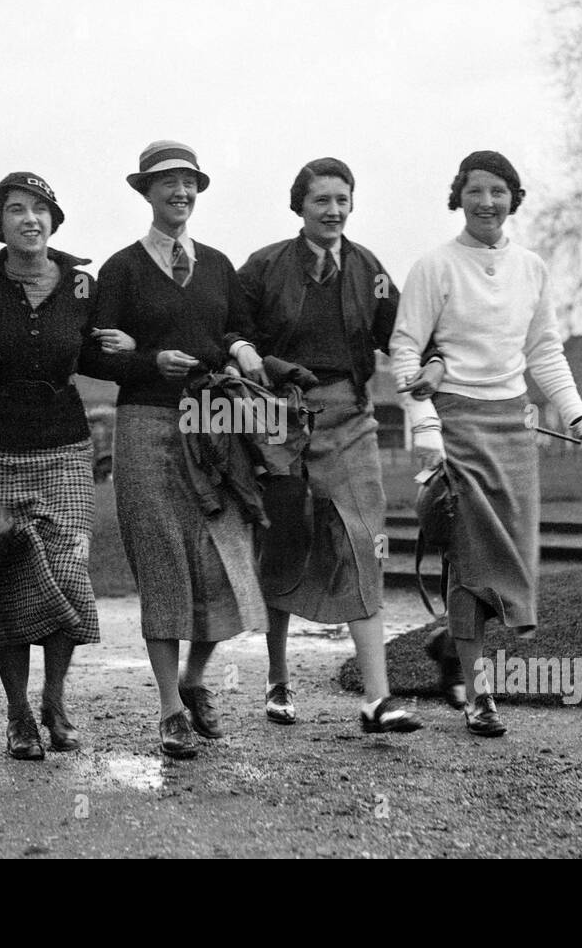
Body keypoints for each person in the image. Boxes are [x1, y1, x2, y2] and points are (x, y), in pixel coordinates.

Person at [390, 150, 582, 737]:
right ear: (458, 196)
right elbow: (406, 351)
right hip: (456, 424)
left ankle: (448, 645)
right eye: (475, 190)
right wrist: (426, 426)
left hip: (513, 425)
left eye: (499, 191)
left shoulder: (532, 268)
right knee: (470, 559)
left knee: (513, 561)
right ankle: (479, 695)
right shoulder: (434, 266)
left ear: (514, 198)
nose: (487, 202)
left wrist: (580, 419)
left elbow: (545, 352)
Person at [93, 140, 268, 759]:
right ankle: (169, 708)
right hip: (144, 423)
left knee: (223, 556)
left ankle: (196, 678)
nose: (181, 193)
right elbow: (94, 353)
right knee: (162, 560)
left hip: (214, 421)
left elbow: (236, 327)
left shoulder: (218, 266)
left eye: (189, 182)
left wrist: (242, 346)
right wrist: (146, 360)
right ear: (146, 191)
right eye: (168, 182)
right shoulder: (121, 269)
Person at [238, 157, 423, 734]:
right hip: (279, 423)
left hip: (350, 420)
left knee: (364, 544)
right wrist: (254, 357)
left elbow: (404, 336)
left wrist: (432, 364)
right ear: (300, 206)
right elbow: (233, 330)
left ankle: (378, 698)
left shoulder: (368, 268)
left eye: (342, 199)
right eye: (322, 200)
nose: (334, 211)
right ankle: (276, 679)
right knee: (285, 543)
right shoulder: (265, 266)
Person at [0, 171, 134, 760]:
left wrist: (126, 353)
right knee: (8, 580)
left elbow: (91, 353)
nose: (30, 219)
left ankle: (54, 700)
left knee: (68, 573)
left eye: (41, 208)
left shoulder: (82, 287)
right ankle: (16, 713)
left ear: (55, 220)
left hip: (63, 445)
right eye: (16, 209)